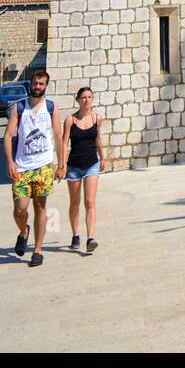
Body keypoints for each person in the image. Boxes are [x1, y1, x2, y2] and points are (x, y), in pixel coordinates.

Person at [3, 70, 63, 267]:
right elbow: (7, 136)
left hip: (44, 165)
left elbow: (58, 135)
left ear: (46, 86)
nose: (38, 86)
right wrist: (10, 162)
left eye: (41, 84)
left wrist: (61, 163)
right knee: (20, 209)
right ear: (31, 83)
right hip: (22, 166)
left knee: (40, 207)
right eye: (35, 83)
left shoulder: (52, 107)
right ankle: (23, 231)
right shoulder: (19, 108)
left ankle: (37, 250)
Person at [60, 86, 105, 254]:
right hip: (74, 166)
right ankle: (75, 234)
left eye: (89, 97)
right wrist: (62, 164)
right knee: (74, 202)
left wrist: (102, 156)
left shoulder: (97, 118)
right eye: (83, 97)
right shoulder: (70, 121)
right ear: (78, 100)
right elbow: (64, 143)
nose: (86, 100)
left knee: (89, 202)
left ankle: (90, 238)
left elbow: (98, 138)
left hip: (91, 164)